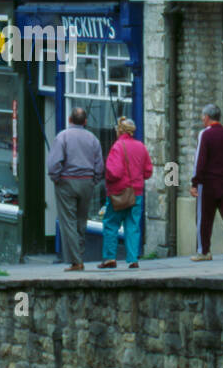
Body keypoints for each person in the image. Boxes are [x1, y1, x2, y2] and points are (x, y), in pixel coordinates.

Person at [46, 106, 104, 271]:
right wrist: (94, 181)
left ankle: (76, 260)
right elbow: (99, 165)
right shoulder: (93, 139)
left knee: (68, 222)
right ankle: (80, 254)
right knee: (81, 221)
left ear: (70, 120)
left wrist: (56, 178)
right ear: (85, 121)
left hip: (67, 182)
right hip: (87, 182)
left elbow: (53, 163)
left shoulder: (62, 136)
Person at [99, 117, 154, 269]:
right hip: (136, 193)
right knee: (133, 225)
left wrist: (108, 178)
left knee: (111, 223)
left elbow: (114, 172)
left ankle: (110, 257)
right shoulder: (141, 146)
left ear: (120, 130)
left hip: (119, 193)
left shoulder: (117, 146)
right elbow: (148, 172)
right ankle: (132, 258)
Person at [190, 103, 223, 261]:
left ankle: (204, 251)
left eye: (202, 116)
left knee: (204, 219)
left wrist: (195, 182)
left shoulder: (205, 134)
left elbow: (200, 160)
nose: (202, 119)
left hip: (208, 184)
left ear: (206, 117)